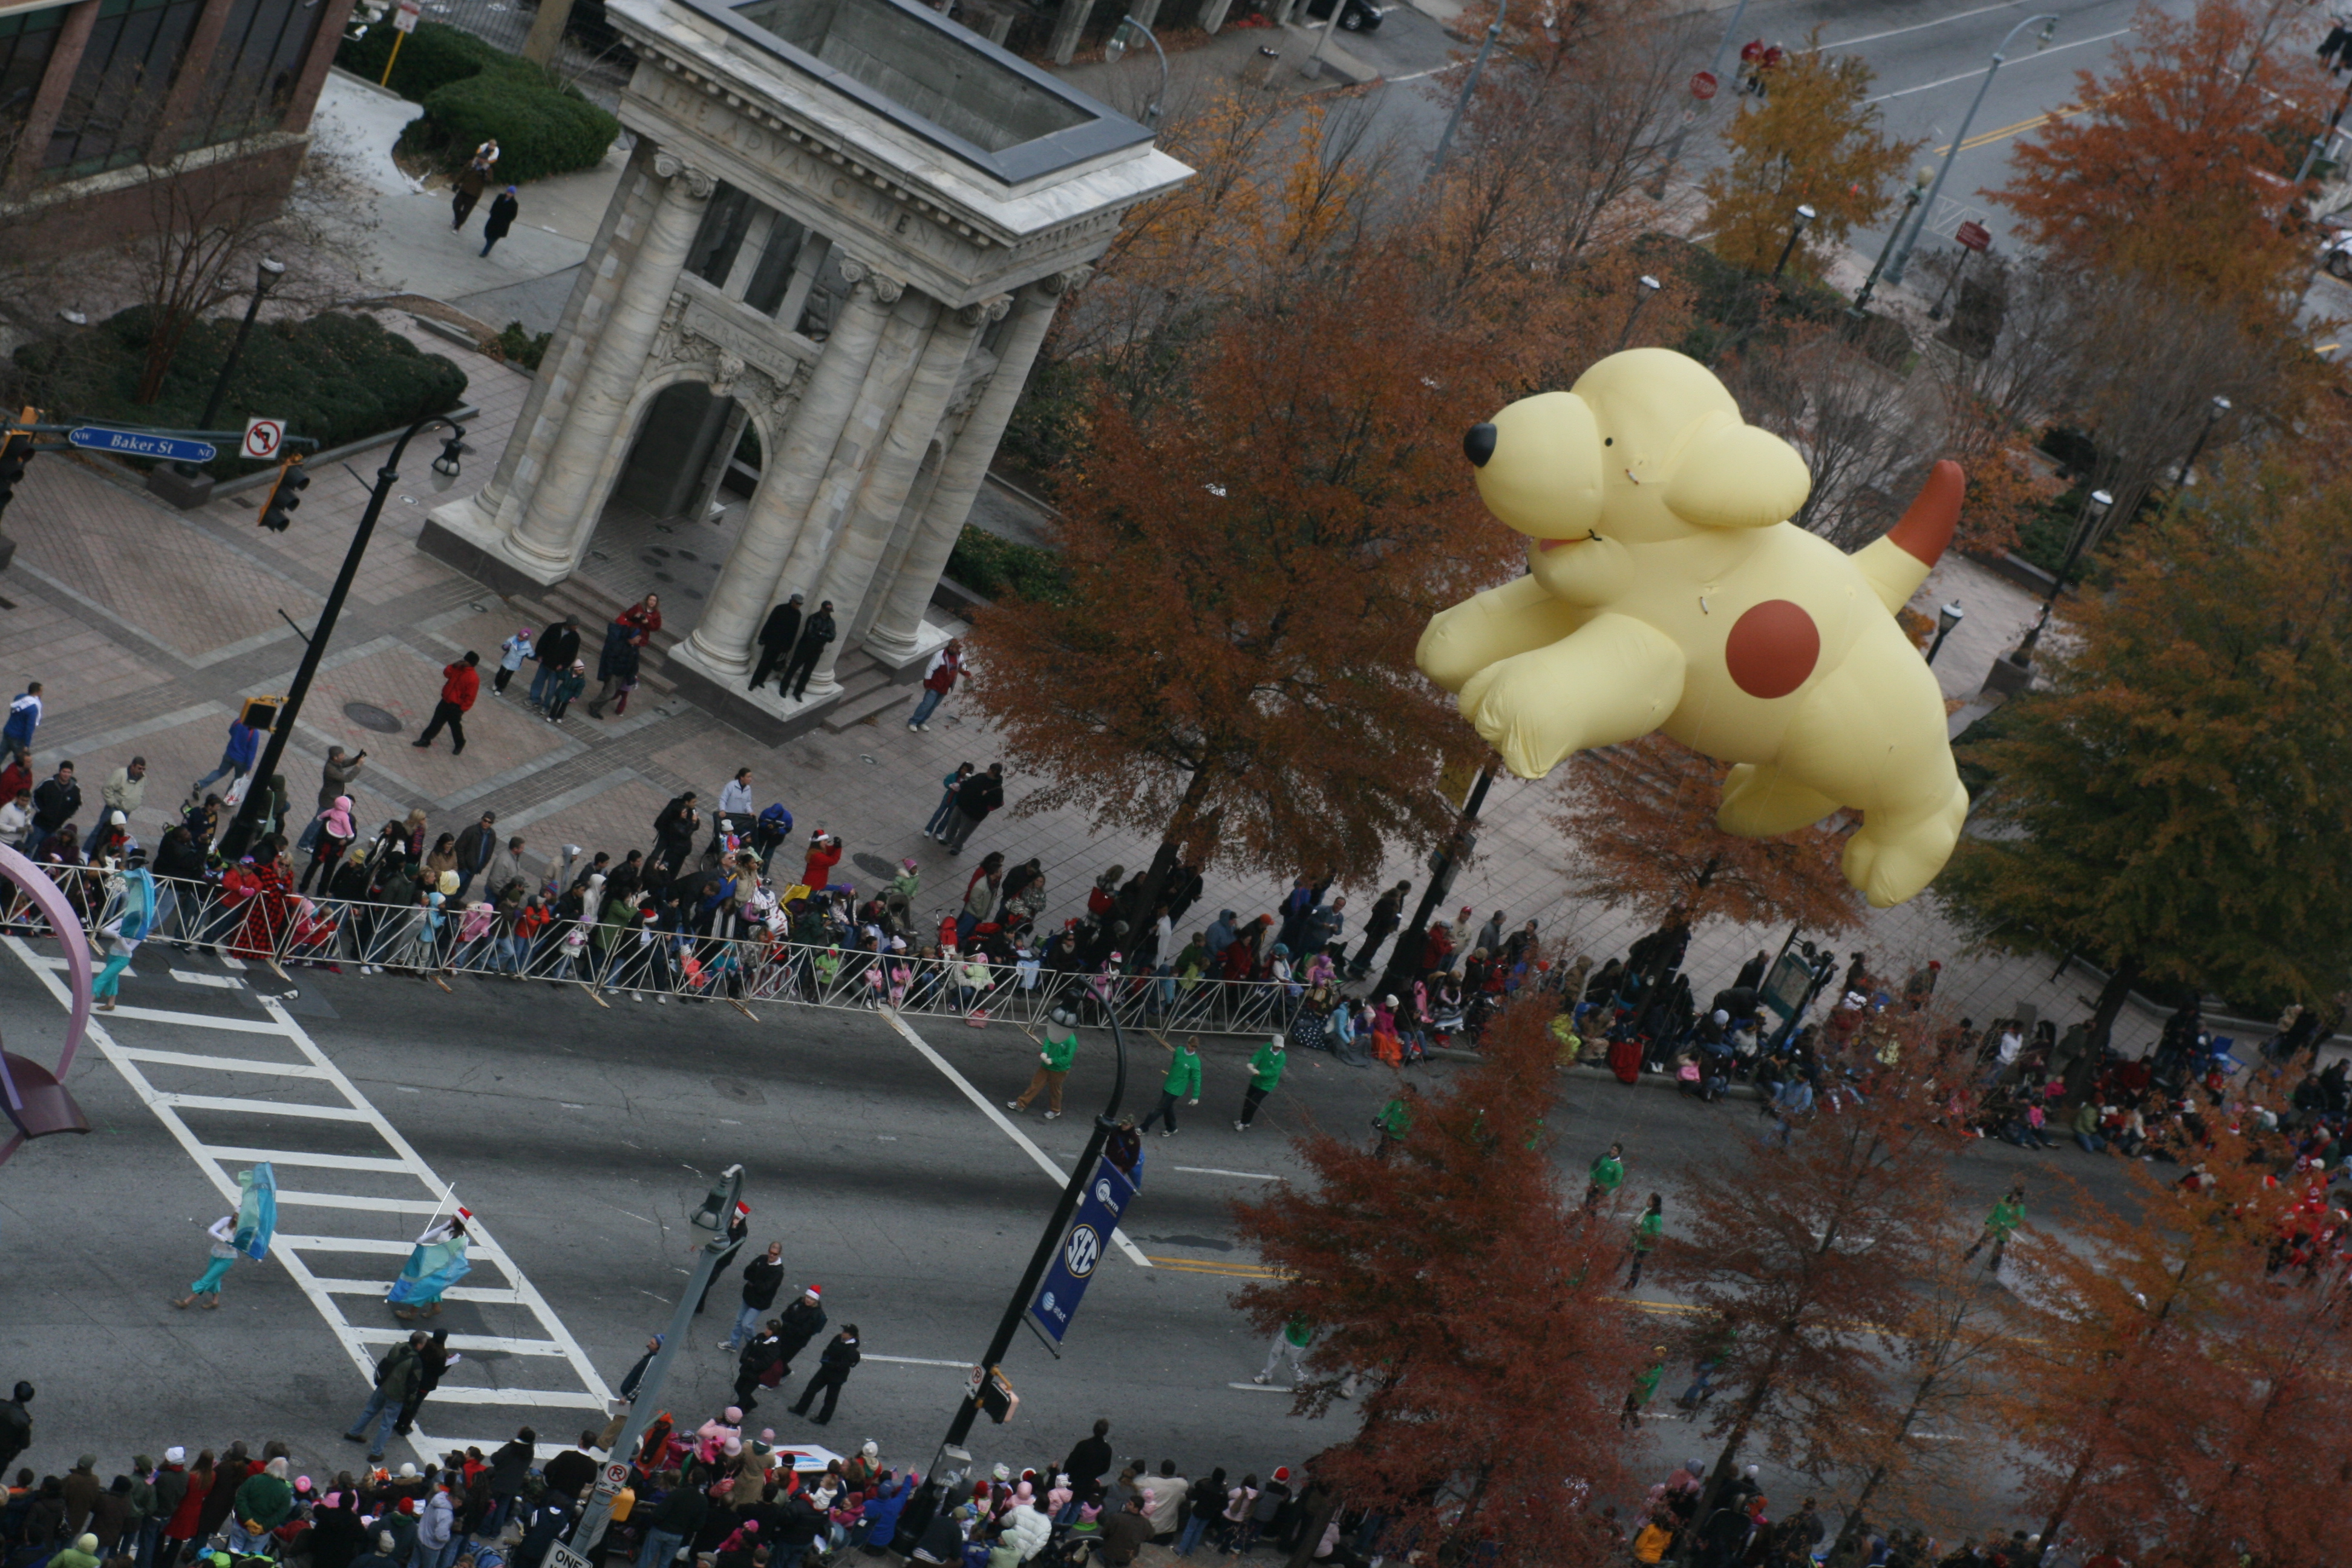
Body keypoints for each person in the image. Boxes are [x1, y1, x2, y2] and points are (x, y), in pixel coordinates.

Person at [344, 1332, 426, 1460]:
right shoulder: (416, 1362)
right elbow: (413, 1385)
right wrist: (410, 1402)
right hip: (397, 1395)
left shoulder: (398, 1347)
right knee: (387, 1424)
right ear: (419, 1345)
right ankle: (376, 1453)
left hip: (384, 1386)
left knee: (370, 1410)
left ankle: (353, 1433)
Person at [412, 653, 482, 756]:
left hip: (456, 707)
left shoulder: (473, 678)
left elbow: (470, 697)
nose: (463, 661)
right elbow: (446, 673)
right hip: (445, 701)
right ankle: (425, 740)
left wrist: (461, 709)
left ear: (470, 663)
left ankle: (460, 743)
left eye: (466, 660)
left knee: (455, 727)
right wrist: (454, 666)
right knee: (436, 722)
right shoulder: (458, 668)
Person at [724, 1241, 787, 1354]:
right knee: (739, 1320)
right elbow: (747, 1272)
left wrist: (753, 1281)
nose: (772, 1255)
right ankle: (733, 1344)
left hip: (760, 1301)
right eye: (771, 1252)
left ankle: (755, 1345)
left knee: (747, 1324)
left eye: (775, 1254)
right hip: (749, 1296)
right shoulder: (762, 1259)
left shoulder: (778, 1271)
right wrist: (756, 1281)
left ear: (779, 1254)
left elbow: (765, 1288)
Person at [1007, 1020, 1076, 1119]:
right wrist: (1045, 1052)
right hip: (1047, 1066)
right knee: (1035, 1085)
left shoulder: (1071, 1041)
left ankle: (1055, 1110)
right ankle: (1021, 1104)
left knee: (1055, 1090)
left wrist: (1052, 1060)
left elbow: (1068, 1058)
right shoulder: (1058, 1034)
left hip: (1059, 1071)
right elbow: (1048, 1041)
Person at [790, 1326, 859, 1423]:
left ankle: (823, 1419)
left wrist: (829, 1364)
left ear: (851, 1336)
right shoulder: (838, 1338)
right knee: (811, 1389)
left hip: (836, 1377)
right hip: (825, 1371)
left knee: (830, 1398)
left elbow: (843, 1365)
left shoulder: (851, 1350)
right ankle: (800, 1409)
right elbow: (828, 1349)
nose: (843, 1333)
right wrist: (825, 1359)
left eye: (846, 1332)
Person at [172, 1214, 240, 1309]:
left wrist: (231, 1244)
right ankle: (215, 1302)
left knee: (207, 1280)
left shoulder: (244, 1230)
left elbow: (242, 1246)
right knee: (215, 1277)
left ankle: (186, 1302)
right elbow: (211, 1230)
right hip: (216, 1254)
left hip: (227, 1259)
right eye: (236, 1214)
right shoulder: (227, 1220)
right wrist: (218, 1236)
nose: (236, 1217)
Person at [1140, 1035, 1201, 1137]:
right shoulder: (1179, 1050)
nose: (1193, 1049)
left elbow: (1197, 1079)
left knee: (1159, 1109)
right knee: (1167, 1107)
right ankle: (1172, 1128)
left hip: (1176, 1090)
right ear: (1188, 1043)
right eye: (1192, 1046)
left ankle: (1143, 1128)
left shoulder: (1195, 1062)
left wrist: (1195, 1096)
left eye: (1195, 1047)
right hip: (1168, 1085)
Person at [939, 762, 1004, 854]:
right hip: (961, 805)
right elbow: (968, 783)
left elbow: (997, 803)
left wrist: (987, 796)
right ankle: (948, 838)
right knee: (952, 824)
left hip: (974, 814)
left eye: (992, 771)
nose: (989, 771)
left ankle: (957, 847)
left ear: (996, 774)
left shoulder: (997, 789)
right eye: (990, 769)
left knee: (964, 832)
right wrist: (962, 788)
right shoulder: (981, 776)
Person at [779, 599, 836, 700]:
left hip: (816, 651)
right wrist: (824, 636)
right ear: (822, 608)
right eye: (826, 610)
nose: (827, 613)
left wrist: (820, 633)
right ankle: (783, 688)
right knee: (792, 669)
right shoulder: (813, 618)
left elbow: (832, 637)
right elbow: (809, 634)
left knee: (807, 673)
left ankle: (798, 692)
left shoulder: (831, 622)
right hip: (804, 648)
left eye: (829, 611)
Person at [193, 719, 261, 799]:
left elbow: (231, 731)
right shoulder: (254, 733)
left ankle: (201, 784)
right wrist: (248, 768)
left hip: (229, 754)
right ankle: (228, 798)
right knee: (238, 780)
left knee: (220, 772)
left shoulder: (239, 721)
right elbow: (252, 752)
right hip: (241, 761)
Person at [750, 594, 804, 693]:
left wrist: (788, 647)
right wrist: (763, 637)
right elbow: (770, 623)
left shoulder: (797, 615)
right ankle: (753, 682)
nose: (798, 606)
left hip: (782, 644)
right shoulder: (780, 609)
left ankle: (761, 680)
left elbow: (794, 633)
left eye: (800, 604)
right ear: (792, 602)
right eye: (797, 603)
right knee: (764, 662)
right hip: (772, 641)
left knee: (771, 663)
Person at [1964, 1184, 2026, 1269]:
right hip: (1995, 1224)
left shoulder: (2020, 1207)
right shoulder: (2005, 1199)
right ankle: (1968, 1257)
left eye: (2017, 1196)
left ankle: (1994, 1265)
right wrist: (1989, 1220)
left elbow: (2018, 1221)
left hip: (2005, 1229)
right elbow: (1996, 1209)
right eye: (2015, 1195)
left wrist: (2008, 1224)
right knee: (1982, 1241)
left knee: (1999, 1247)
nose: (2015, 1198)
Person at [907, 639, 961, 731]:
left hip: (944, 687)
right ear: (951, 647)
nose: (958, 650)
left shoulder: (958, 656)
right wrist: (927, 682)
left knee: (933, 706)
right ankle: (913, 722)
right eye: (956, 648)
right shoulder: (940, 655)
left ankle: (922, 722)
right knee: (927, 704)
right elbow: (930, 668)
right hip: (935, 685)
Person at [529, 616, 581, 710]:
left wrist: (564, 665)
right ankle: (534, 699)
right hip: (546, 661)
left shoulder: (575, 638)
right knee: (538, 682)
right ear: (569, 624)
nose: (576, 627)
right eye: (575, 625)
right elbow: (543, 641)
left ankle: (546, 705)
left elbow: (572, 654)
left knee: (551, 689)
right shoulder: (555, 628)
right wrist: (539, 654)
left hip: (557, 668)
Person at [1236, 1035, 1285, 1131]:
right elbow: (1259, 1055)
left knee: (1253, 1103)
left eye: (1280, 1047)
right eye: (1277, 1046)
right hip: (1256, 1080)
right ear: (1272, 1044)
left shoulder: (1282, 1057)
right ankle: (1245, 1121)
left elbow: (1274, 1072)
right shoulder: (1267, 1046)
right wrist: (1252, 1062)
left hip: (1267, 1085)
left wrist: (1260, 1073)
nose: (1278, 1048)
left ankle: (1244, 1123)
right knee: (1248, 1100)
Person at [1254, 1313, 1311, 1387]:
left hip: (1297, 1342)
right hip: (1287, 1334)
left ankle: (1300, 1379)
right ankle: (1266, 1375)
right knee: (1275, 1354)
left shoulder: (1311, 1313)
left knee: (1291, 1363)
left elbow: (1302, 1328)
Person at [923, 762, 972, 839]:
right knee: (938, 814)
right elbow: (946, 781)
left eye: (966, 770)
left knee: (947, 819)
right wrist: (950, 786)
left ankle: (939, 832)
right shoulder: (954, 776)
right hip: (948, 798)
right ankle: (929, 829)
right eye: (963, 769)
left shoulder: (968, 781)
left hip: (956, 802)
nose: (963, 771)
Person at [1626, 1192, 1664, 1287]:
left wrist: (1643, 1234)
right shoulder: (1645, 1210)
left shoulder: (1656, 1218)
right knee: (1625, 1255)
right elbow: (1638, 1221)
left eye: (1650, 1200)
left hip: (1643, 1244)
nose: (1648, 1201)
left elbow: (1655, 1234)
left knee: (1637, 1264)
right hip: (1635, 1239)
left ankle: (1631, 1284)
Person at [451, 155, 491, 230]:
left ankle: (458, 226)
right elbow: (463, 174)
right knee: (456, 205)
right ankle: (458, 219)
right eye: (480, 158)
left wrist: (484, 176)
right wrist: (456, 184)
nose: (481, 160)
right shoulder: (471, 164)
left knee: (466, 212)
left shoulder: (488, 169)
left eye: (483, 159)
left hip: (474, 195)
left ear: (486, 161)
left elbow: (489, 182)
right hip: (464, 190)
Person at [480, 187, 520, 257]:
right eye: (508, 192)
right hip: (494, 220)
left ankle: (485, 252)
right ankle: (488, 244)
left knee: (493, 238)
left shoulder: (514, 204)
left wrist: (506, 220)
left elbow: (513, 215)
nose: (509, 194)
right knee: (487, 233)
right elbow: (494, 205)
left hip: (502, 224)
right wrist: (492, 212)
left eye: (511, 193)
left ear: (513, 195)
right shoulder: (501, 197)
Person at [2, 682, 40, 752]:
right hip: (18, 737)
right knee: (21, 758)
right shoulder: (33, 709)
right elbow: (30, 728)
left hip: (8, 730)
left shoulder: (19, 697)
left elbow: (13, 711)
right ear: (38, 693)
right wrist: (27, 745)